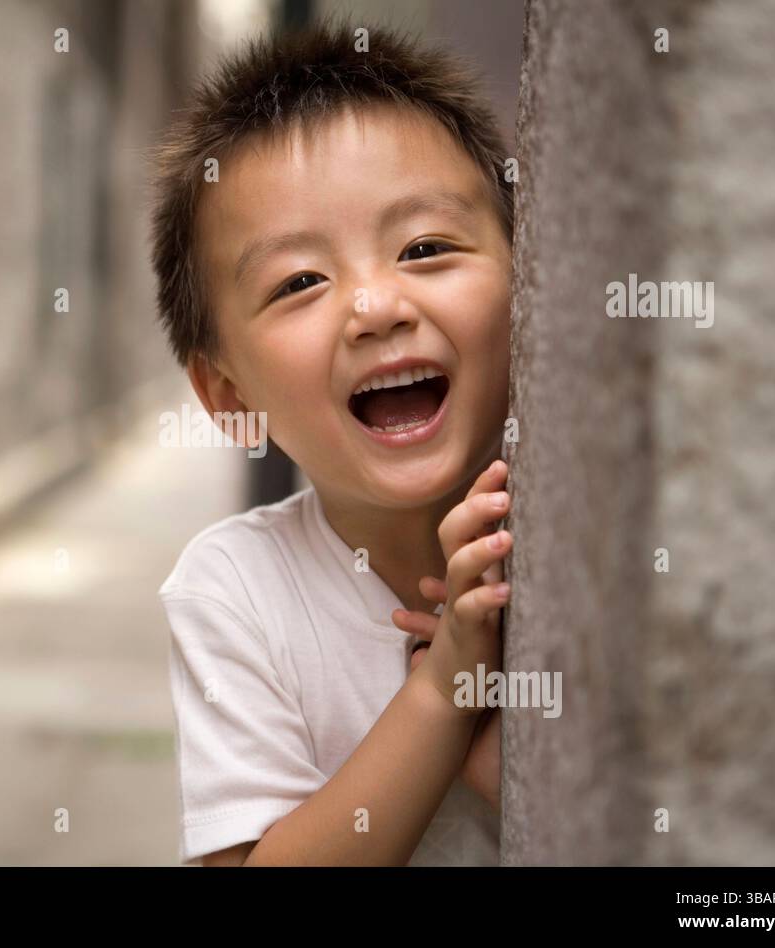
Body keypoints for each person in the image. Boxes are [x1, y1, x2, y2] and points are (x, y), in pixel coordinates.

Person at [149, 17, 514, 866]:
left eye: (424, 247)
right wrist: (445, 690)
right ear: (232, 396)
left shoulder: (588, 538)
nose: (376, 307)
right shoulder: (236, 590)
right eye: (300, 280)